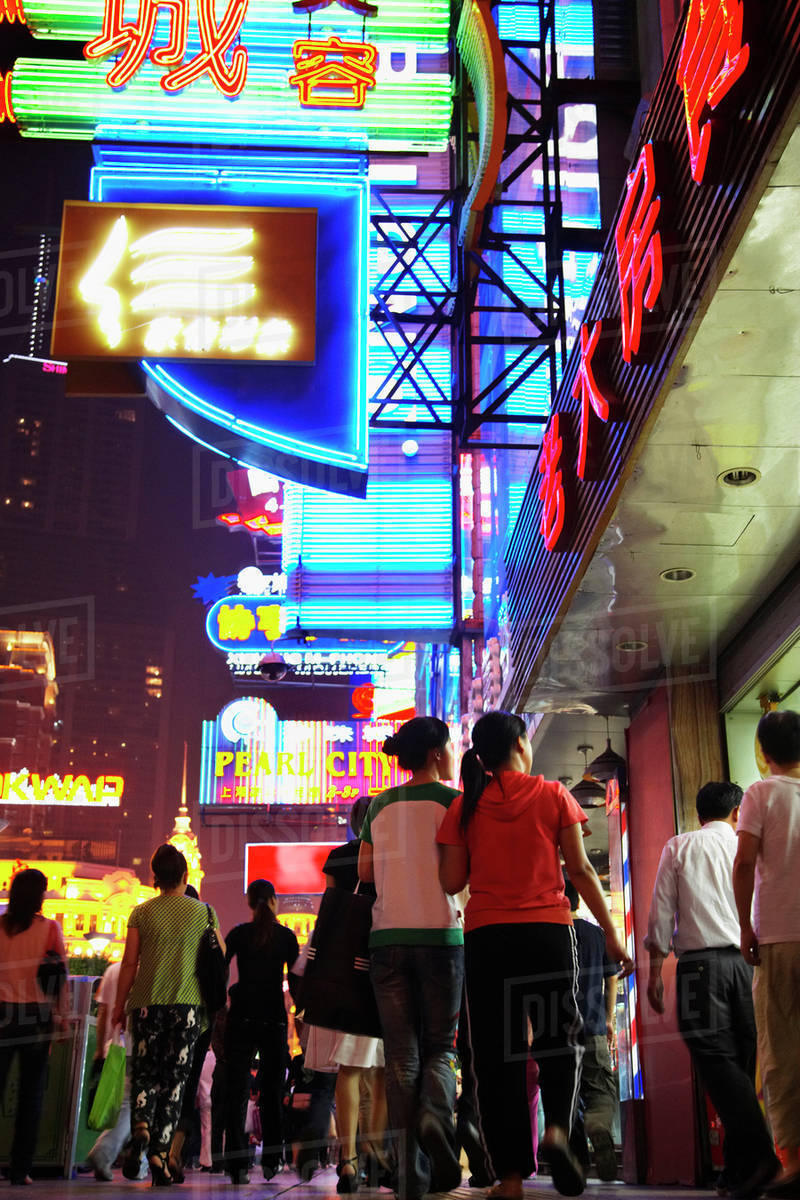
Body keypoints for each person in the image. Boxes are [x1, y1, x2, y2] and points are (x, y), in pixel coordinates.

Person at [437, 711, 632, 1200]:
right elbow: (583, 872)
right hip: (547, 934)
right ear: (522, 744)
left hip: (487, 939)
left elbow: (451, 882)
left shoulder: (465, 807)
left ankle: (510, 1179)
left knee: (497, 1057)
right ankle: (560, 1132)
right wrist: (611, 934)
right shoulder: (552, 795)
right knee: (557, 1040)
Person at [647, 780, 779, 1198]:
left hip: (700, 969)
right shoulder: (750, 849)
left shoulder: (680, 846)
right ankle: (738, 1173)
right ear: (738, 812)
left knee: (718, 1064)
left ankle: (762, 1159)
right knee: (737, 1065)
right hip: (749, 964)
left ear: (700, 813)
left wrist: (653, 973)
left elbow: (660, 915)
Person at [358, 716, 464, 1200]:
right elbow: (461, 873)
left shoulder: (379, 804)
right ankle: (433, 1119)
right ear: (439, 753)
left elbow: (365, 872)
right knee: (440, 1046)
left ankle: (408, 1177)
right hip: (442, 937)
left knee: (401, 1054)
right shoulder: (453, 802)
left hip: (387, 941)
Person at [111, 844, 223, 1187]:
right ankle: (160, 1154)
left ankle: (142, 1125)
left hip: (147, 1003)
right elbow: (220, 957)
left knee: (146, 1073)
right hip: (188, 1007)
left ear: (154, 877)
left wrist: (119, 1006)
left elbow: (129, 964)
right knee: (175, 1082)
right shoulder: (204, 912)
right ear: (185, 876)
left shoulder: (141, 913)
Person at [303, 799, 388, 1194]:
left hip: (345, 973)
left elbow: (329, 916)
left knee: (350, 1069)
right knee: (384, 1072)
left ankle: (349, 1161)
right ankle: (376, 1154)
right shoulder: (393, 856)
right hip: (385, 964)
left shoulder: (338, 858)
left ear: (353, 823)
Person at [734, 710, 800, 1197]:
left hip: (778, 935)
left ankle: (794, 1162)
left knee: (780, 1051)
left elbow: (744, 862)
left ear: (763, 751)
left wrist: (744, 926)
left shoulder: (761, 793)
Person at [223, 878, 299, 1185]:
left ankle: (237, 1164)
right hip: (273, 1018)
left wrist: (223, 996)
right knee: (271, 1091)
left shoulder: (239, 934)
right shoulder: (286, 937)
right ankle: (272, 1160)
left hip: (241, 1016)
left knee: (237, 1089)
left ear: (249, 902)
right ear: (273, 901)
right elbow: (295, 982)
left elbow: (221, 965)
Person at [0, 868, 69, 1186]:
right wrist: (62, 1017)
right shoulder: (50, 929)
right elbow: (60, 978)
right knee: (31, 1096)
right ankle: (20, 1169)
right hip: (36, 1019)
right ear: (39, 896)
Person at [563, 878, 619, 1183]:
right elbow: (611, 978)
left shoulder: (553, 935)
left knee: (565, 1098)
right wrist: (609, 1019)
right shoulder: (597, 935)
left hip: (559, 1034)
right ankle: (598, 1124)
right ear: (578, 900)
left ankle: (577, 1163)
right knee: (600, 1090)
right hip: (595, 1026)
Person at [86, 960, 147, 1182]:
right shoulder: (147, 969)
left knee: (127, 1104)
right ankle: (110, 1153)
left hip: (115, 1047)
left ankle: (134, 1160)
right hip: (138, 1047)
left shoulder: (112, 970)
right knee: (138, 1105)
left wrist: (100, 1050)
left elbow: (103, 1012)